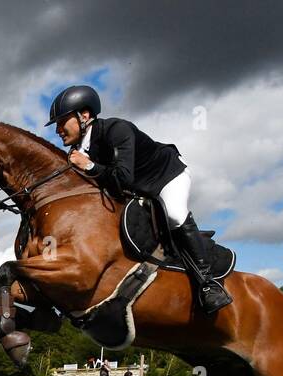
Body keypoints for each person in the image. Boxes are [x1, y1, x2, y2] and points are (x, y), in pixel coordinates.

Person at [44, 84, 232, 315]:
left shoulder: (117, 129)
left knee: (174, 214)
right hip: (137, 188)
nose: (58, 130)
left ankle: (208, 284)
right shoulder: (79, 150)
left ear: (84, 115)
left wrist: (90, 166)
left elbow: (123, 177)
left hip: (166, 176)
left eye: (62, 122)